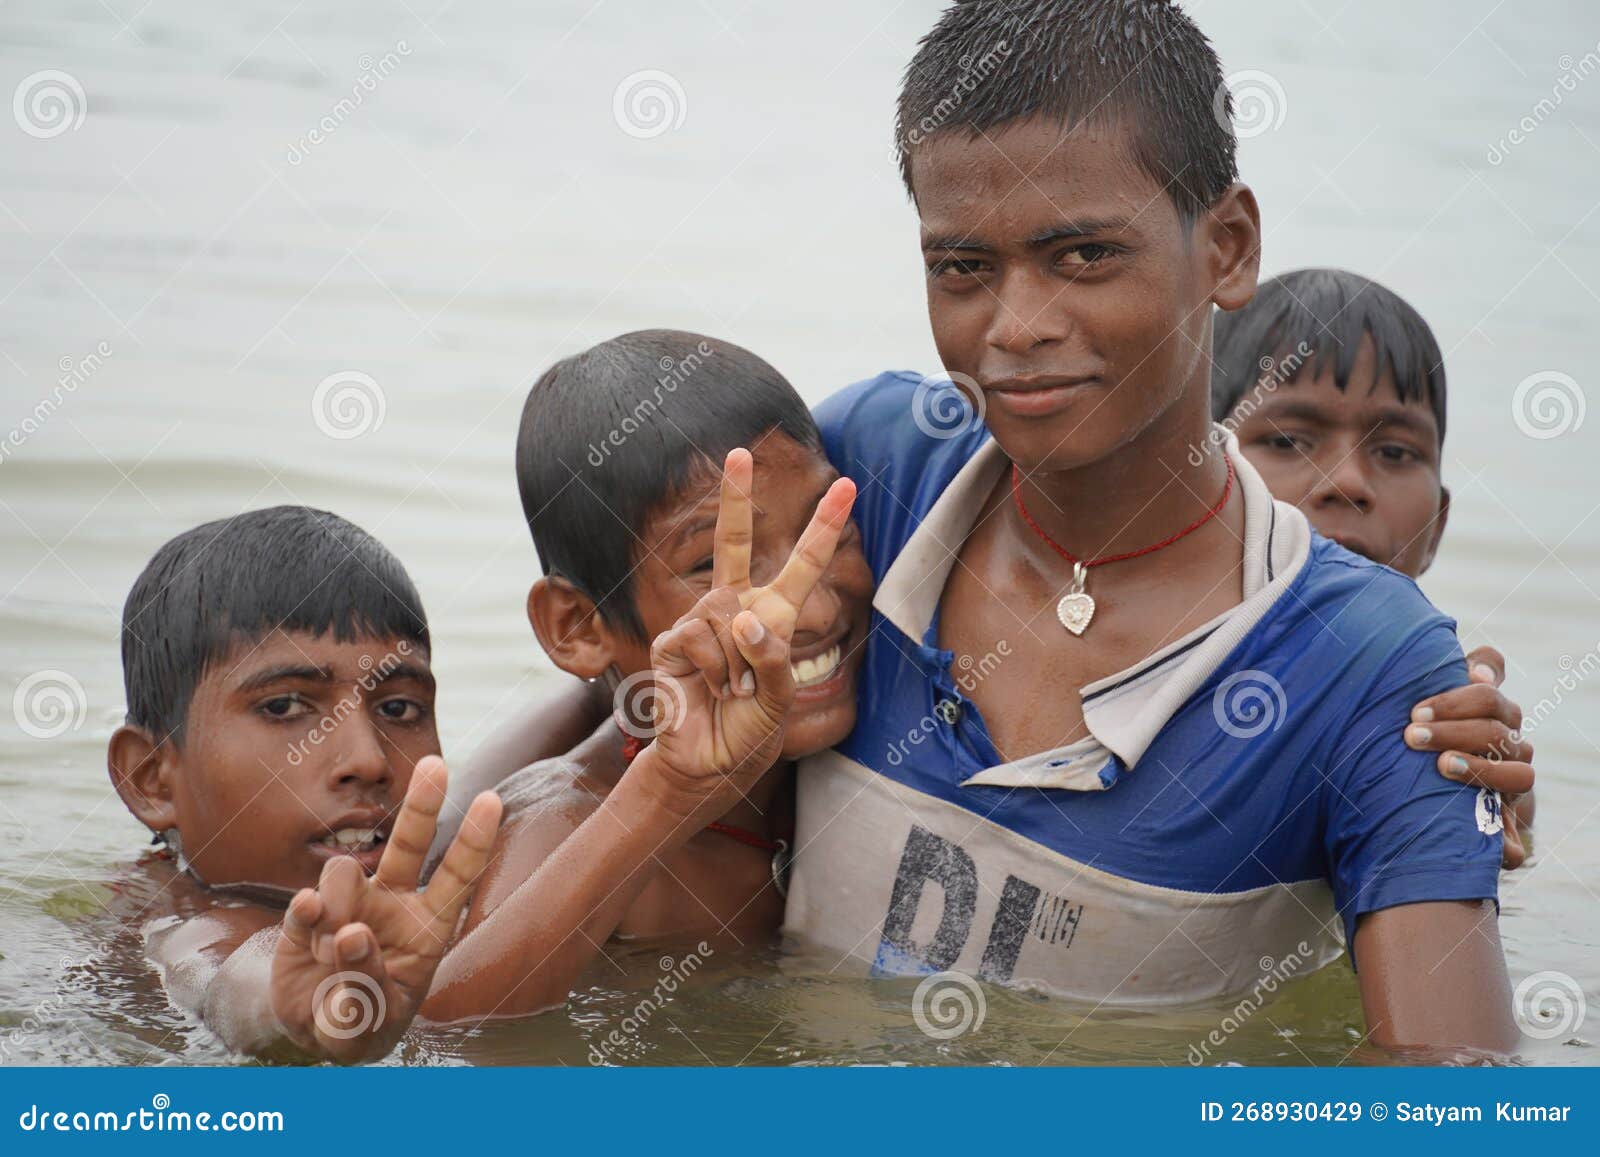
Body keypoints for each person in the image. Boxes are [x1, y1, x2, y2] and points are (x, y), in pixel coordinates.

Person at [778, 0, 1517, 1054]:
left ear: (1225, 246)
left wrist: (1460, 831)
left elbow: (1459, 1102)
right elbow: (601, 726)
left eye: (1081, 255)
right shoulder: (870, 472)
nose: (1016, 326)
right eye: (962, 268)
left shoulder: (1374, 673)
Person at [421, 331, 865, 1021]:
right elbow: (450, 1033)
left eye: (826, 535)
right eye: (715, 567)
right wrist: (665, 796)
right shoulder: (564, 821)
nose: (809, 608)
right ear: (579, 626)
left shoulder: (847, 760)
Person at [107, 506, 502, 1062]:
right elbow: (225, 973)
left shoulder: (409, 876)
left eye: (397, 708)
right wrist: (303, 1010)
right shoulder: (182, 925)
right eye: (285, 706)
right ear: (153, 780)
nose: (367, 760)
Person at [1212, 267, 1534, 862]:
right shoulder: (1093, 665)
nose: (1349, 483)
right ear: (1191, 475)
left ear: (1436, 527)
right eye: (1286, 440)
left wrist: (1503, 806)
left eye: (1394, 452)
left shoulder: (1429, 723)